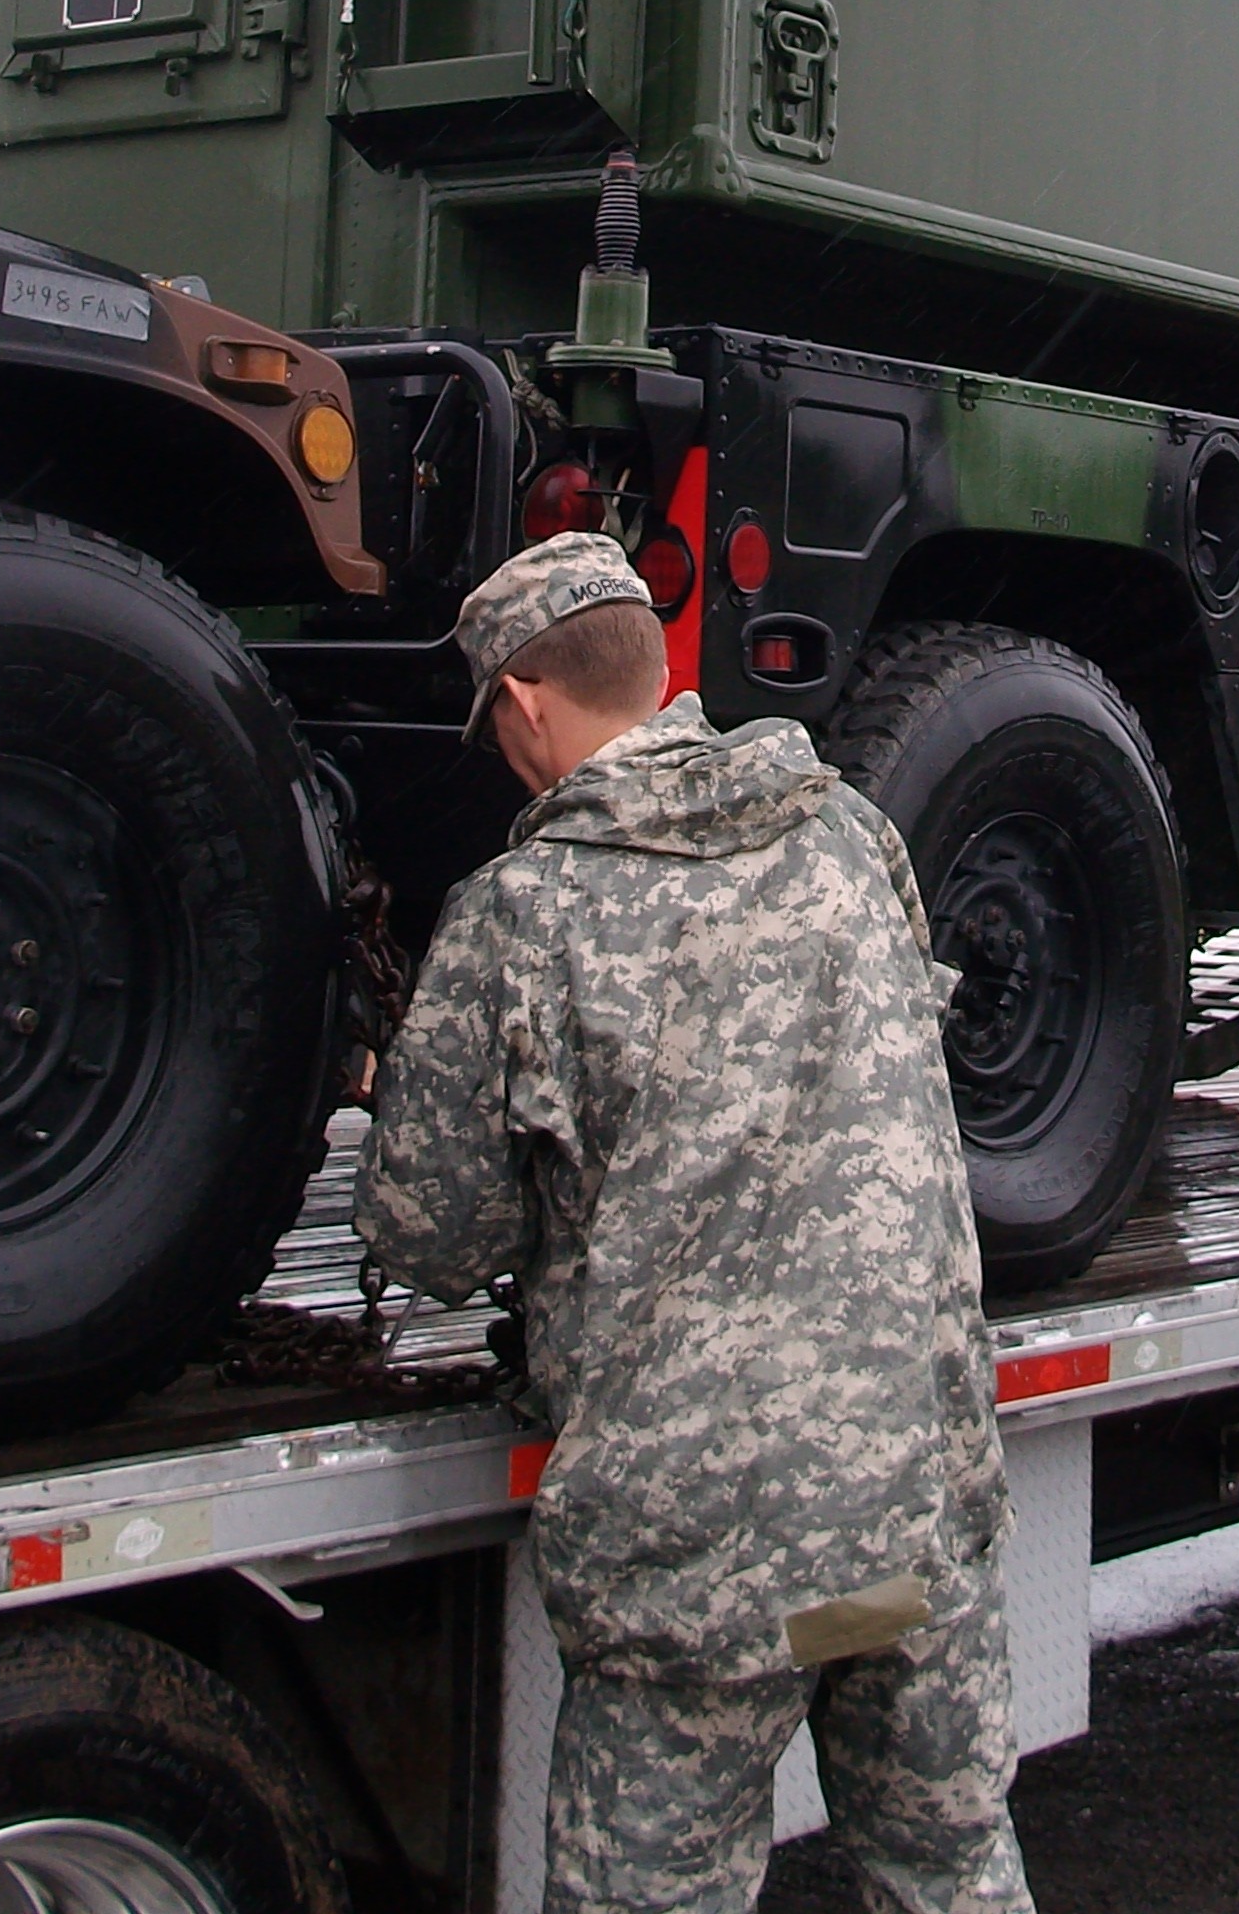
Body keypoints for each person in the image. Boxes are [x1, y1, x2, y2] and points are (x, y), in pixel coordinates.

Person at [355, 530, 1032, 1914]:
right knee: (953, 1873)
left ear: (525, 703)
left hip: (707, 1564)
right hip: (910, 1516)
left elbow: (429, 1241)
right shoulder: (852, 833)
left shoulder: (518, 915)